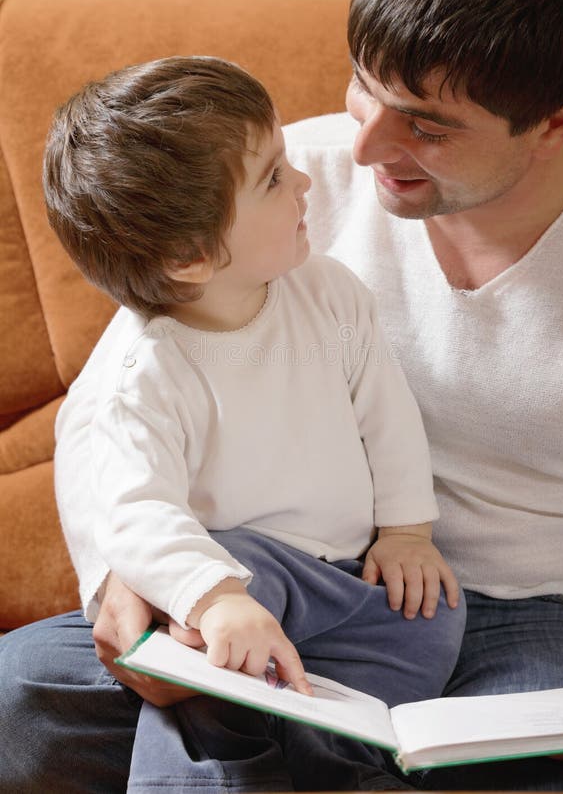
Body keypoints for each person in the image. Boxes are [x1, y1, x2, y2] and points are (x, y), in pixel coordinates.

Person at [1, 0, 563, 790]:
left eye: (425, 125)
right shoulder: (269, 182)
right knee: (15, 700)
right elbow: (109, 408)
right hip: (277, 578)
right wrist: (122, 580)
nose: (363, 147)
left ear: (557, 120)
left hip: (531, 615)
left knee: (535, 772)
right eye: (364, 84)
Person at [0, 53, 465, 793]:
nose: (305, 181)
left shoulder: (329, 294)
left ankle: (335, 761)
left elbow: (387, 414)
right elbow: (134, 511)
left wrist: (407, 531)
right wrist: (216, 599)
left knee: (432, 619)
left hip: (351, 593)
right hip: (232, 596)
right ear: (192, 256)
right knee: (212, 622)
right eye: (274, 178)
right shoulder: (146, 374)